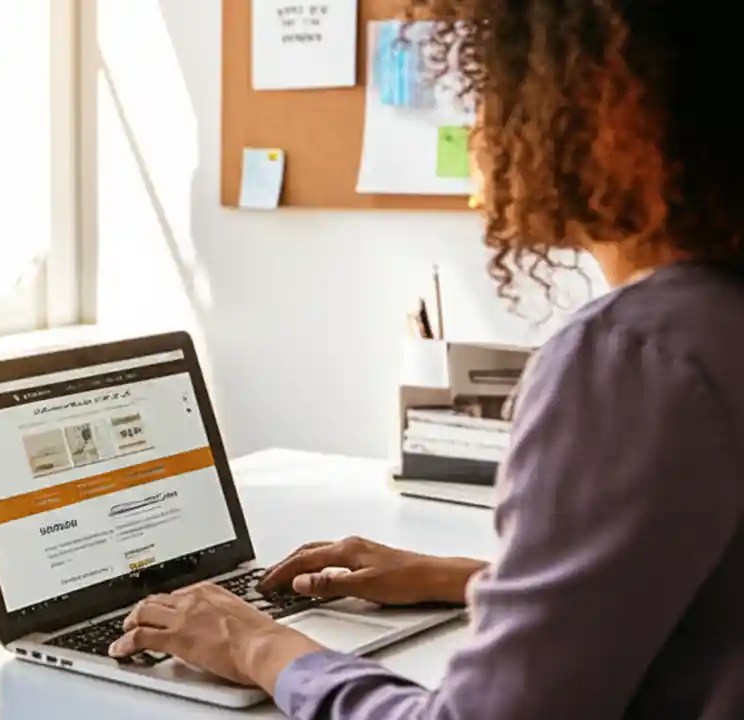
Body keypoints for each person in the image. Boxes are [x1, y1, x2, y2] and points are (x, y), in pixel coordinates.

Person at [107, 1, 744, 717]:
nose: (479, 128)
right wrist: (463, 577)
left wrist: (258, 647)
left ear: (607, 103)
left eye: (498, 89)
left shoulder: (632, 358)